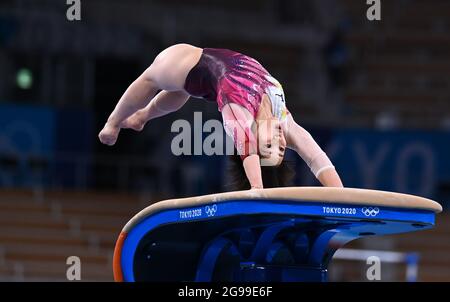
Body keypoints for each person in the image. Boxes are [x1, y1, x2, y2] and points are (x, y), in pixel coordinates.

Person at [98, 43, 343, 189]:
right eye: (282, 148)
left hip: (188, 62)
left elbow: (246, 148)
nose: (281, 142)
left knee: (151, 78)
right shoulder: (283, 120)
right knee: (182, 90)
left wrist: (257, 188)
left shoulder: (238, 111)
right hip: (200, 70)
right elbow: (315, 157)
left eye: (270, 146)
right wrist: (340, 196)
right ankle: (143, 116)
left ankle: (112, 122)